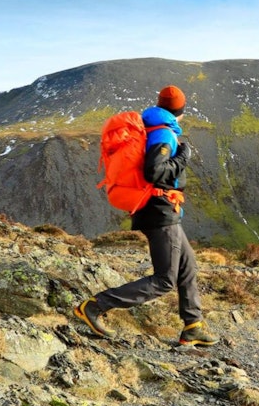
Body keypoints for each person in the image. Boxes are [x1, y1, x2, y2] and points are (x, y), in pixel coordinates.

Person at [75, 85, 219, 346]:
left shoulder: (153, 126)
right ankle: (95, 306)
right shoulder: (164, 132)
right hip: (158, 210)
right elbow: (155, 171)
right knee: (165, 280)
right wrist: (183, 157)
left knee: (187, 266)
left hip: (159, 208)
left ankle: (193, 325)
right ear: (181, 112)